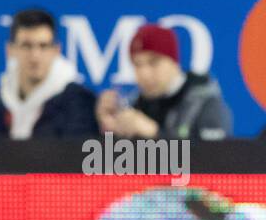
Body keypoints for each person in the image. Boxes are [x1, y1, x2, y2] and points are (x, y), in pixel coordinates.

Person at [96, 24, 232, 141]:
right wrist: (108, 130)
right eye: (137, 65)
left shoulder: (206, 103)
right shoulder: (134, 104)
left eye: (154, 62)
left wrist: (155, 134)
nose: (144, 74)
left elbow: (214, 161)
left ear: (174, 62)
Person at [0, 8, 97, 140]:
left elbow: (75, 156)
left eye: (43, 46)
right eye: (26, 46)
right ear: (10, 50)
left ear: (56, 50)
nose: (35, 56)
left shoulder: (78, 103)